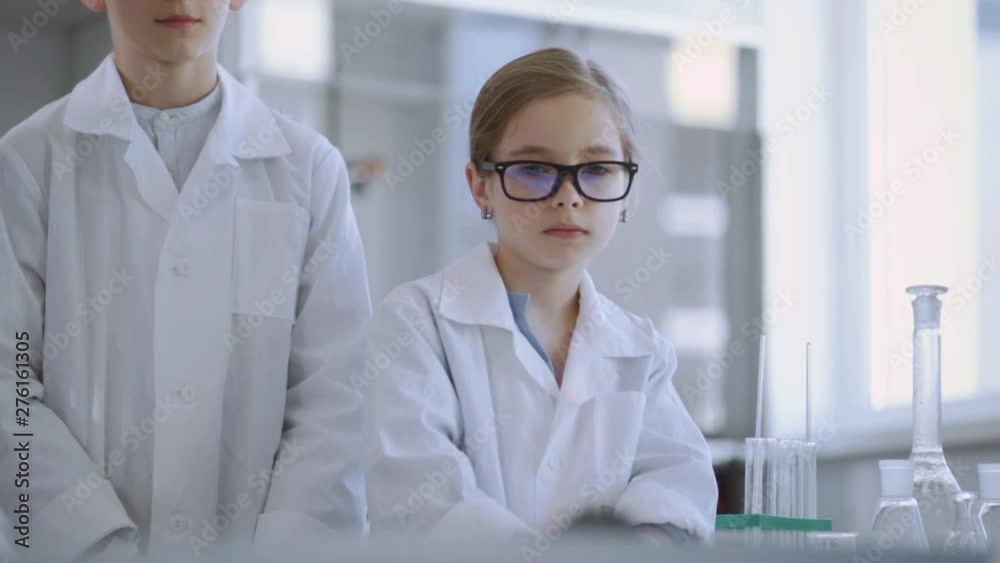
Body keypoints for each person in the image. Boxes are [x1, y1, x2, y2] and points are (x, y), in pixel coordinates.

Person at [0, 1, 370, 560]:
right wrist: (90, 540)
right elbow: (8, 384)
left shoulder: (310, 170)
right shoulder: (27, 163)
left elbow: (336, 391)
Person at [362, 48, 718, 549]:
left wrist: (646, 541)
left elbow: (677, 483)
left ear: (628, 191)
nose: (568, 196)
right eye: (533, 169)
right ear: (481, 186)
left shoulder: (642, 351)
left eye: (596, 170)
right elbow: (424, 501)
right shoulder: (417, 324)